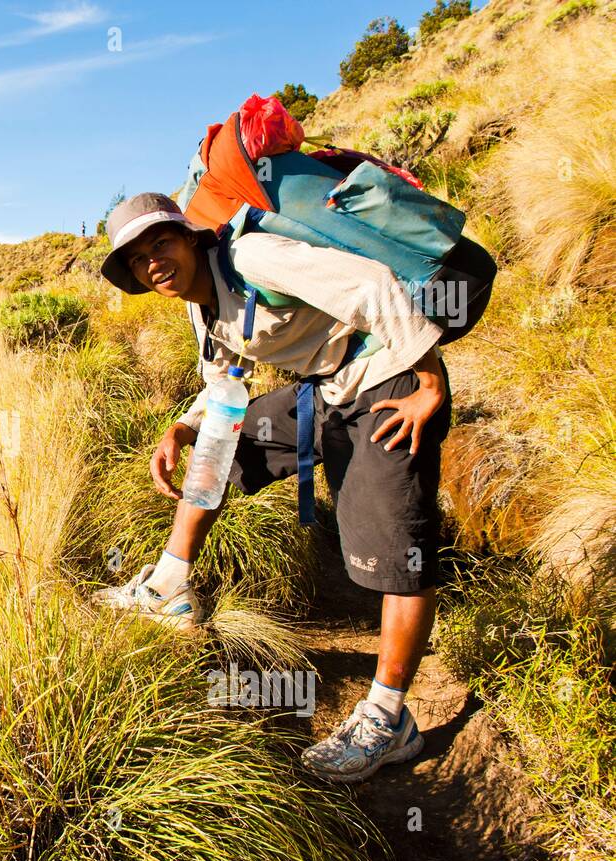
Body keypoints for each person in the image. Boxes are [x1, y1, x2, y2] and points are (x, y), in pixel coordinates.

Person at [92, 192, 495, 783]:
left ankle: (388, 720)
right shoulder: (200, 303)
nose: (152, 262)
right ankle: (169, 588)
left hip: (389, 379)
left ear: (191, 239)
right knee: (218, 449)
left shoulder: (253, 258)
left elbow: (373, 287)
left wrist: (429, 385)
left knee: (396, 552)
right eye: (136, 259)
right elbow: (226, 380)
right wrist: (185, 426)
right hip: (323, 389)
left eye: (161, 243)